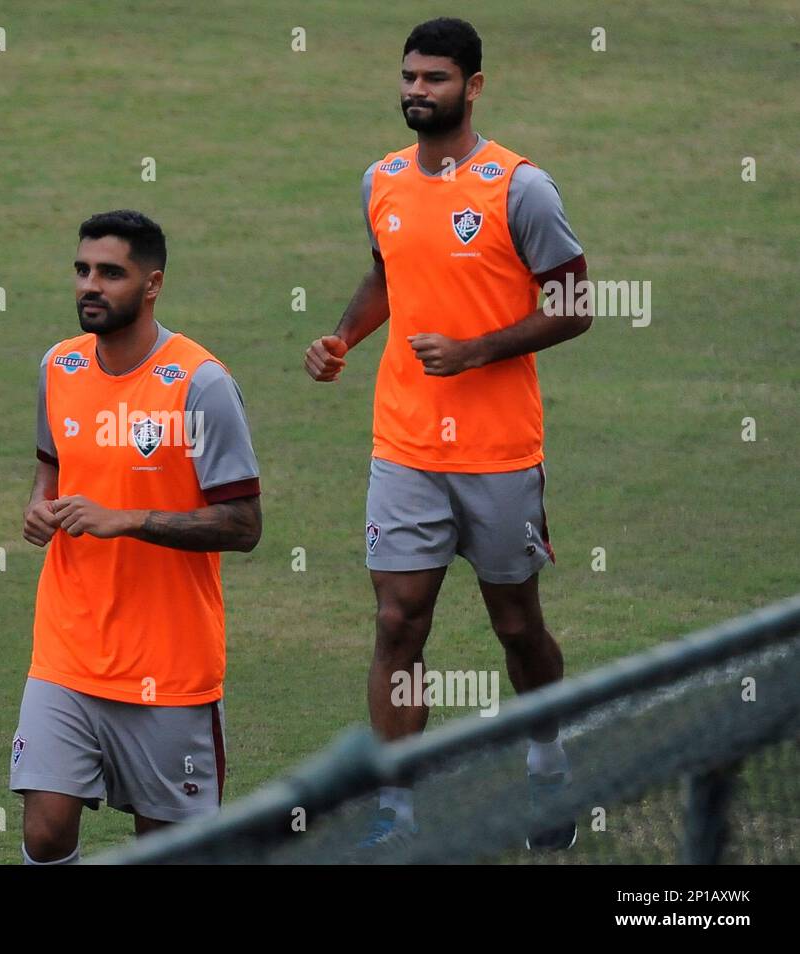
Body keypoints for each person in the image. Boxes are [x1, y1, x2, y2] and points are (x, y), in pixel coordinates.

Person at [304, 17, 591, 850]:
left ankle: (547, 764)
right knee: (398, 623)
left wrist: (473, 352)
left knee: (515, 625)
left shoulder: (519, 187)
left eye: (434, 79)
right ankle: (398, 810)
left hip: (499, 453)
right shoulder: (382, 180)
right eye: (408, 77)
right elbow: (387, 272)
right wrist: (344, 339)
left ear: (473, 87)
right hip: (404, 446)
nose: (415, 92)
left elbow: (574, 305)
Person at [14, 210, 262, 864]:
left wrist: (129, 520)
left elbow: (244, 525)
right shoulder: (59, 368)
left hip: (170, 669)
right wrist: (40, 507)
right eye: (82, 270)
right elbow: (51, 465)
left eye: (110, 274)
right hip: (67, 653)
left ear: (151, 285)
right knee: (43, 833)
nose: (90, 286)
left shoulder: (199, 384)